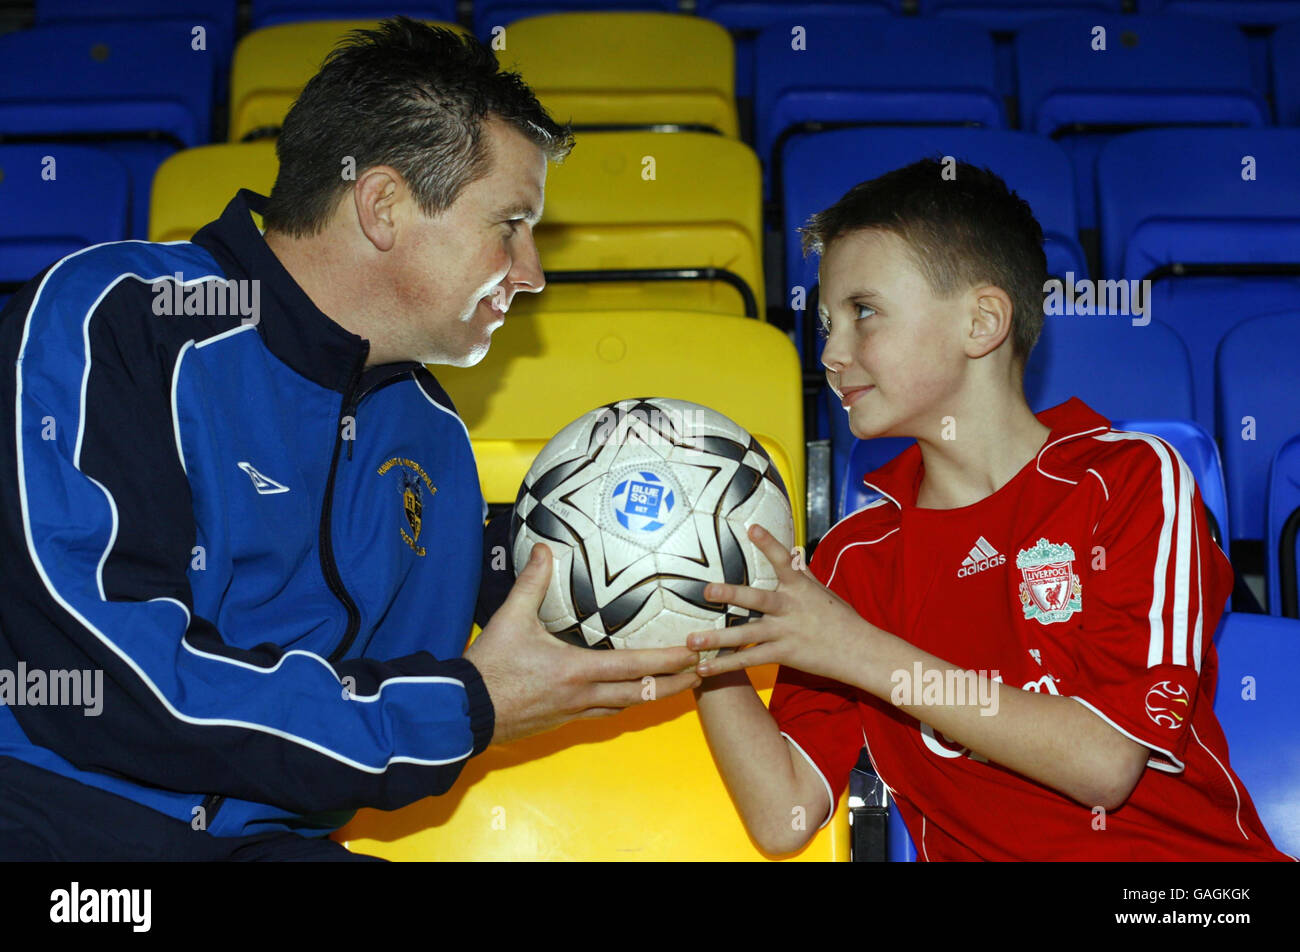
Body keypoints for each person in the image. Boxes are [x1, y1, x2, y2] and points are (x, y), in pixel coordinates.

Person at [0, 19, 698, 861]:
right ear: (383, 205)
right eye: (510, 223)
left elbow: (511, 581)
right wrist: (467, 707)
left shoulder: (428, 431)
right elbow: (110, 684)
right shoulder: (123, 319)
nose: (533, 271)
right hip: (49, 814)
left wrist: (687, 561)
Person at [688, 159, 1293, 861]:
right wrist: (703, 637)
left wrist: (855, 648)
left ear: (982, 322)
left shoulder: (1128, 481)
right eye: (825, 323)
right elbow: (785, 815)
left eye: (863, 313)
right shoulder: (854, 559)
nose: (830, 352)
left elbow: (1105, 763)